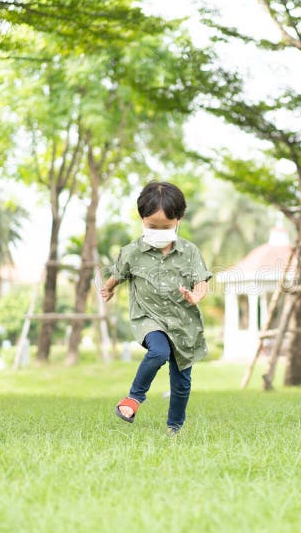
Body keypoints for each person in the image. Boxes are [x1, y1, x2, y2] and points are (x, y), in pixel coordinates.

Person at [100, 181, 212, 436]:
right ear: (142, 219)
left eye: (166, 227)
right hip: (148, 318)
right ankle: (133, 398)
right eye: (152, 227)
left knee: (182, 382)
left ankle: (174, 429)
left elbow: (201, 282)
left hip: (183, 323)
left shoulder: (189, 252)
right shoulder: (131, 252)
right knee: (159, 351)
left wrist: (196, 296)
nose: (159, 232)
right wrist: (109, 288)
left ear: (179, 219)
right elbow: (118, 274)